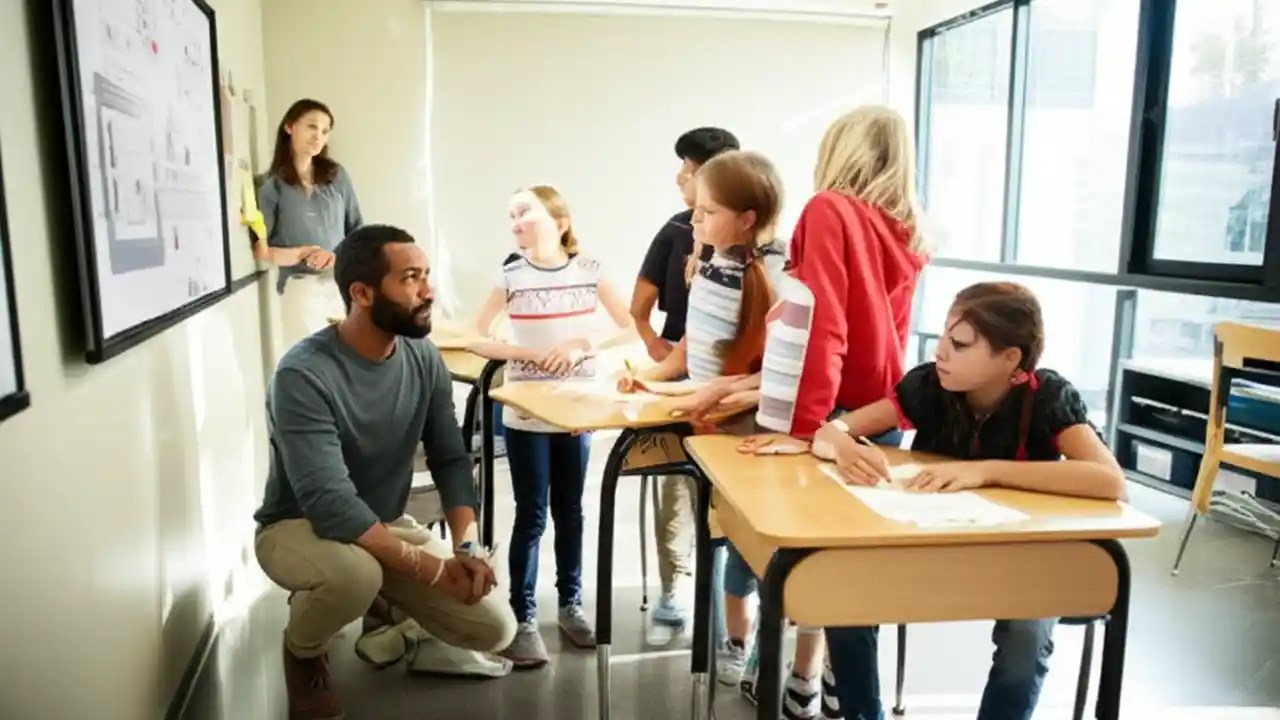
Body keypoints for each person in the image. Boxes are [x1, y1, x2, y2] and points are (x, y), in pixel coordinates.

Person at [745, 281, 1127, 720]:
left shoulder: (1048, 397)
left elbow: (1109, 480)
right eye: (944, 335)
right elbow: (836, 431)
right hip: (925, 547)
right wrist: (846, 446)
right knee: (843, 593)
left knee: (1027, 634)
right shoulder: (930, 384)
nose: (942, 350)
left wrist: (986, 470)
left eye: (960, 344)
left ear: (1011, 360)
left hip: (1020, 556)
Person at [711, 106, 928, 719]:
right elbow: (895, 335)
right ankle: (830, 686)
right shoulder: (904, 226)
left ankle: (821, 687)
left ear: (841, 151)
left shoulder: (830, 210)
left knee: (806, 564)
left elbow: (823, 325)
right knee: (857, 575)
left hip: (833, 413)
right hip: (878, 412)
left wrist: (805, 429)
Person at [252, 224, 517, 720]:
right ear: (361, 293)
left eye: (427, 275)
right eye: (411, 278)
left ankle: (382, 591)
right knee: (354, 574)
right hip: (297, 525)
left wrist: (466, 549)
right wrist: (433, 572)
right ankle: (303, 651)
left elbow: (451, 458)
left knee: (494, 629)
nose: (429, 290)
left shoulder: (422, 357)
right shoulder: (302, 374)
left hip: (383, 522)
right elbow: (328, 501)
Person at [469, 185, 633, 668]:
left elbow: (631, 327)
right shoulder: (511, 275)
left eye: (525, 213)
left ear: (560, 221)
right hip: (525, 412)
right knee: (532, 515)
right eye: (511, 215)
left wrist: (582, 343)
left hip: (576, 410)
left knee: (571, 511)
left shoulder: (589, 271)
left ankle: (570, 606)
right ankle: (522, 619)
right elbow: (477, 339)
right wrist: (527, 354)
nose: (515, 222)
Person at [630, 126, 740, 627]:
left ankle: (725, 612)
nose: (680, 177)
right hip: (680, 384)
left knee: (729, 500)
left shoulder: (756, 252)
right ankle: (675, 590)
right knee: (678, 491)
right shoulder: (676, 231)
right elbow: (640, 308)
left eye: (689, 170)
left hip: (735, 395)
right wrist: (661, 357)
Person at [259, 98, 364, 347]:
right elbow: (262, 252)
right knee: (311, 363)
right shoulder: (271, 186)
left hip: (339, 288)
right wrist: (302, 253)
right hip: (299, 290)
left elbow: (358, 234)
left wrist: (336, 257)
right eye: (312, 127)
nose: (318, 136)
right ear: (289, 126)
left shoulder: (337, 177)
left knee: (345, 361)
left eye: (325, 131)